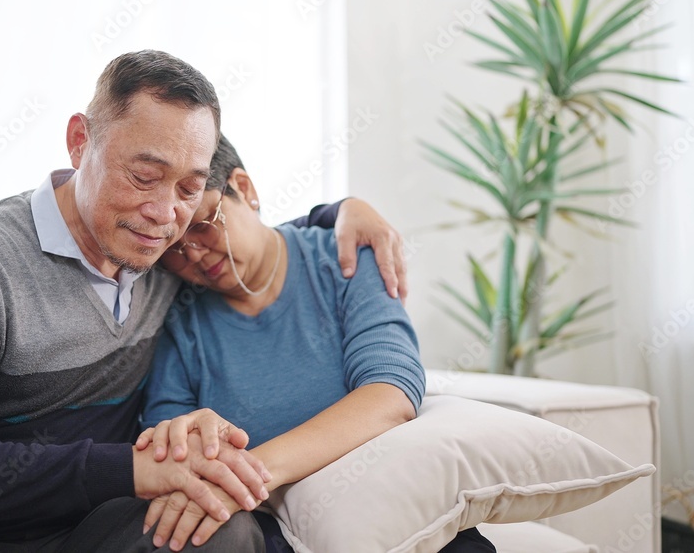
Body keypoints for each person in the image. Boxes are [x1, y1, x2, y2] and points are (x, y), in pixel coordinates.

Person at [0, 50, 408, 552]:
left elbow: (253, 240)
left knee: (222, 532)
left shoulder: (166, 259)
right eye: (144, 177)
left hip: (86, 530)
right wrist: (132, 469)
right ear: (79, 141)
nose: (167, 215)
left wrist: (344, 211)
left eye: (188, 189)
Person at [139, 136, 496, 552]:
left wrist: (255, 473)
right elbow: (170, 445)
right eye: (174, 248)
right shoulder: (182, 320)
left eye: (201, 225)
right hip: (271, 527)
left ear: (246, 190)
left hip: (392, 501)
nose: (195, 254)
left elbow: (391, 394)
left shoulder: (344, 261)